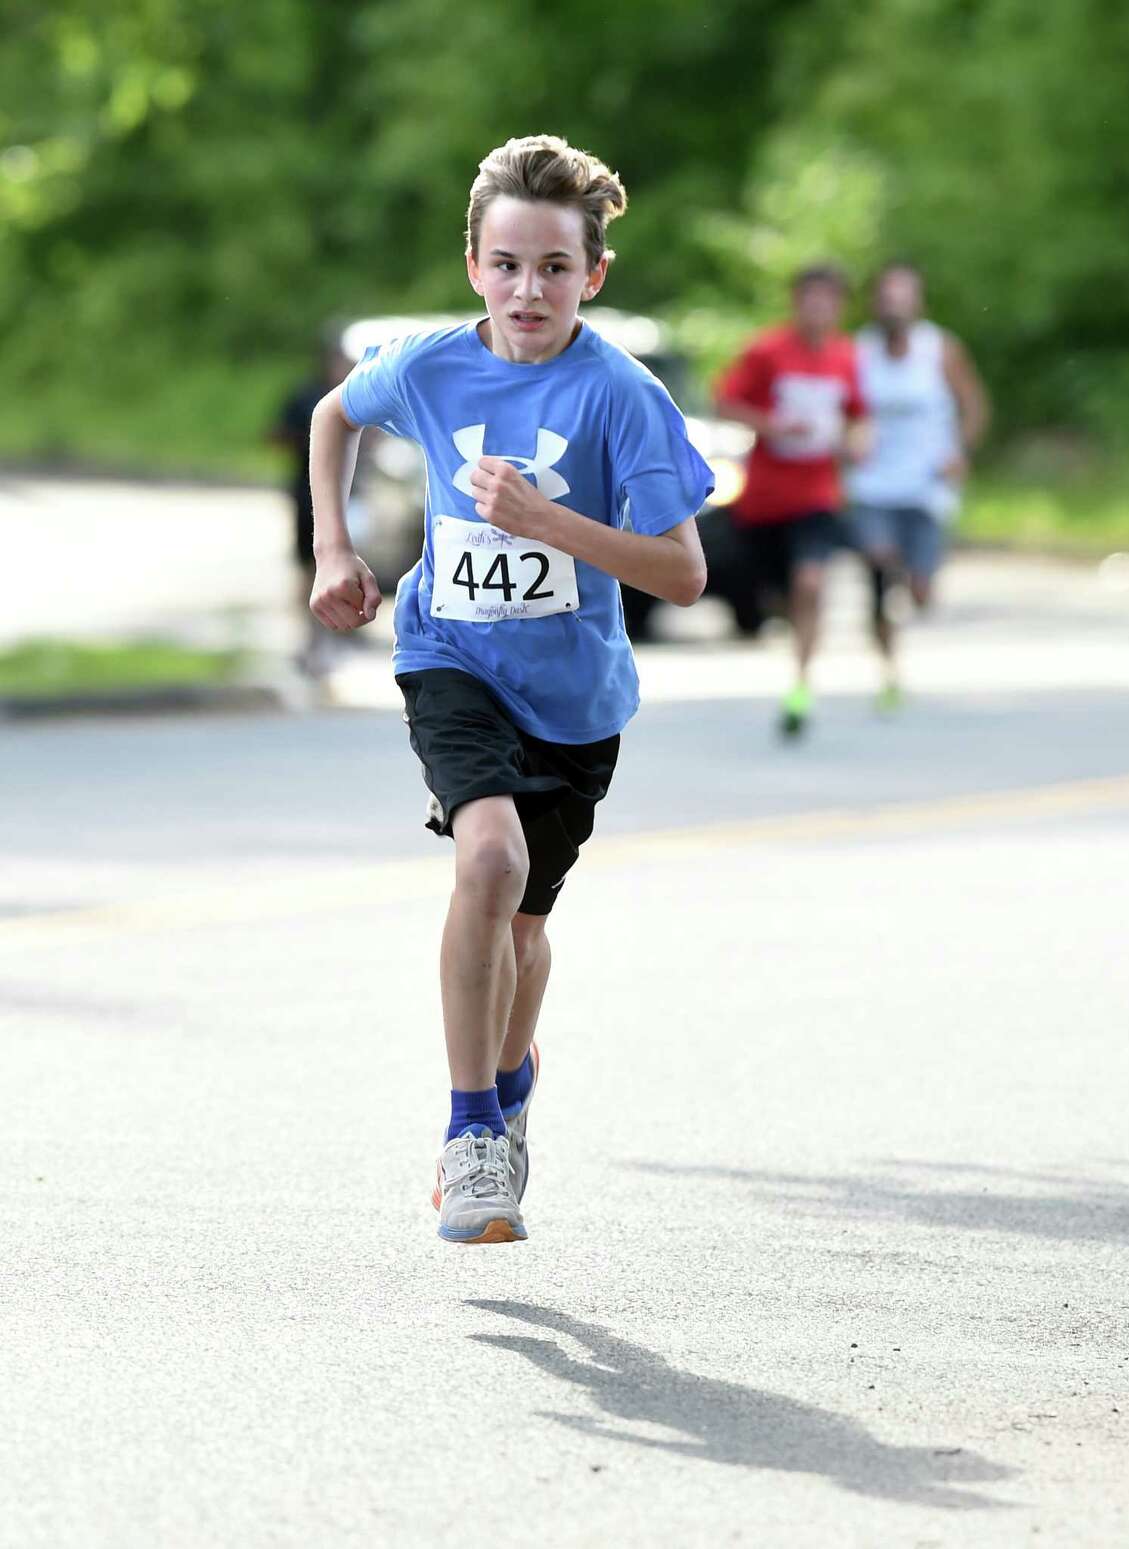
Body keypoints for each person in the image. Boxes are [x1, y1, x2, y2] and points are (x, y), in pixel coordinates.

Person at [306, 136, 712, 1245]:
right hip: (451, 656)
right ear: (474, 264)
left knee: (524, 930)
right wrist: (334, 552)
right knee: (488, 857)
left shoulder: (623, 396)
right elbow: (333, 415)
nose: (529, 289)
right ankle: (472, 1129)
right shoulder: (432, 364)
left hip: (576, 699)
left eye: (555, 269)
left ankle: (511, 1076)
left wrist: (551, 525)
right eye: (508, 264)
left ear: (594, 277)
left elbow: (682, 573)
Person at [715, 265, 868, 736]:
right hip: (764, 501)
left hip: (818, 494)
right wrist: (774, 426)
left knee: (811, 583)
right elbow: (724, 401)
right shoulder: (767, 351)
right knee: (779, 597)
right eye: (811, 298)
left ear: (839, 306)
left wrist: (858, 442)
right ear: (796, 301)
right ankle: (786, 627)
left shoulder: (846, 356)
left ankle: (801, 683)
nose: (819, 308)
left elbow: (859, 416)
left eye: (829, 300)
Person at [846, 261, 990, 709]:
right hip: (871, 485)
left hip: (926, 484)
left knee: (920, 592)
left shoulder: (940, 349)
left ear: (917, 303)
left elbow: (974, 405)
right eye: (886, 298)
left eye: (903, 298)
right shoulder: (856, 352)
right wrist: (849, 442)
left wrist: (959, 452)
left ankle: (916, 584)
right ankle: (888, 668)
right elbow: (843, 410)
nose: (894, 308)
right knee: (879, 565)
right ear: (875, 304)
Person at [268, 339, 351, 676]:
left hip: (353, 495)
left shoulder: (359, 396)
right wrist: (312, 440)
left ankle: (335, 636)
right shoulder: (307, 397)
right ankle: (308, 638)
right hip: (308, 493)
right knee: (308, 565)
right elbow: (276, 435)